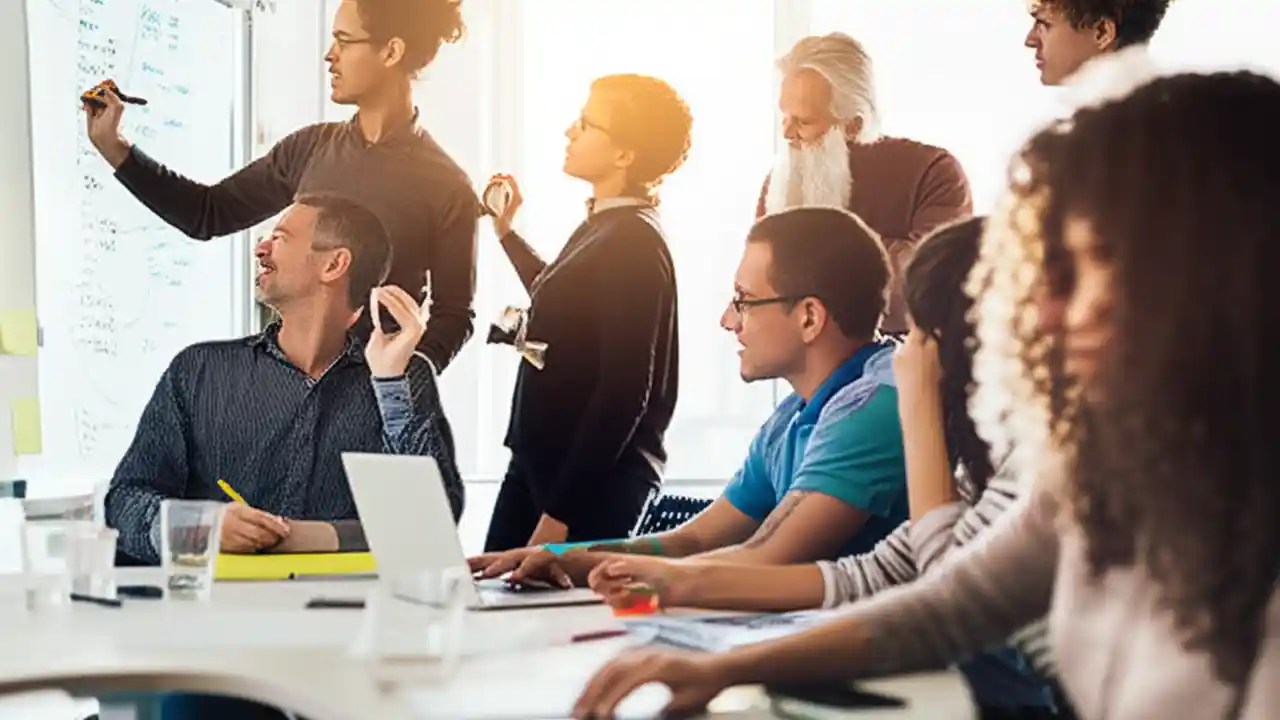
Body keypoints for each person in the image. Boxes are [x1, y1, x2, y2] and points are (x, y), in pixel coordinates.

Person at [572, 67, 1280, 720]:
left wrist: (626, 584)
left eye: (1092, 267)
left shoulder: (881, 407)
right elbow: (943, 604)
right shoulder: (1100, 462)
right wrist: (720, 666)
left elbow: (862, 571)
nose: (1049, 315)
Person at [587, 217, 1059, 712]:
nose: (907, 353)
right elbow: (872, 575)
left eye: (920, 334)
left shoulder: (886, 407)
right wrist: (671, 589)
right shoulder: (1003, 452)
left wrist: (918, 407)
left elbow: (950, 595)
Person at [471, 207, 908, 585]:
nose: (727, 320)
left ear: (810, 317)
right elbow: (695, 540)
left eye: (744, 301)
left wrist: (597, 569)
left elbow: (765, 559)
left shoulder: (874, 406)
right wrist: (557, 557)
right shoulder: (795, 414)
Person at [82, 0, 478, 372]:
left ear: (391, 52)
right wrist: (115, 148)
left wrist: (402, 384)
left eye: (344, 41)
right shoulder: (309, 149)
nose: (329, 55)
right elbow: (208, 213)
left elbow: (454, 315)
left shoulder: (447, 187)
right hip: (287, 394)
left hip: (373, 413)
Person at [106, 193, 463, 565]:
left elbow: (434, 520)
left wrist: (391, 386)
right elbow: (125, 500)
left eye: (279, 237)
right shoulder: (198, 371)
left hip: (344, 615)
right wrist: (203, 525)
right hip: (213, 614)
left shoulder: (401, 378)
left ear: (334, 264)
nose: (260, 249)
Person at [479, 74, 691, 551]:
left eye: (586, 123)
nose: (569, 132)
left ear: (624, 154)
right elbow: (559, 296)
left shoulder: (633, 240)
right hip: (544, 469)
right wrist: (506, 231)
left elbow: (624, 390)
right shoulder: (608, 224)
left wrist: (560, 517)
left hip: (580, 488)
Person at [757, 32, 972, 334]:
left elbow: (921, 293)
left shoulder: (934, 172)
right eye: (785, 117)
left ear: (853, 126)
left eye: (804, 122)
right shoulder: (785, 179)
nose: (788, 133)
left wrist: (823, 234)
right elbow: (762, 297)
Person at [1025, 0, 1171, 85]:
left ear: (1102, 33)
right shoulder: (1169, 113)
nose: (1030, 41)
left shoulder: (1103, 131)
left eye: (1044, 24)